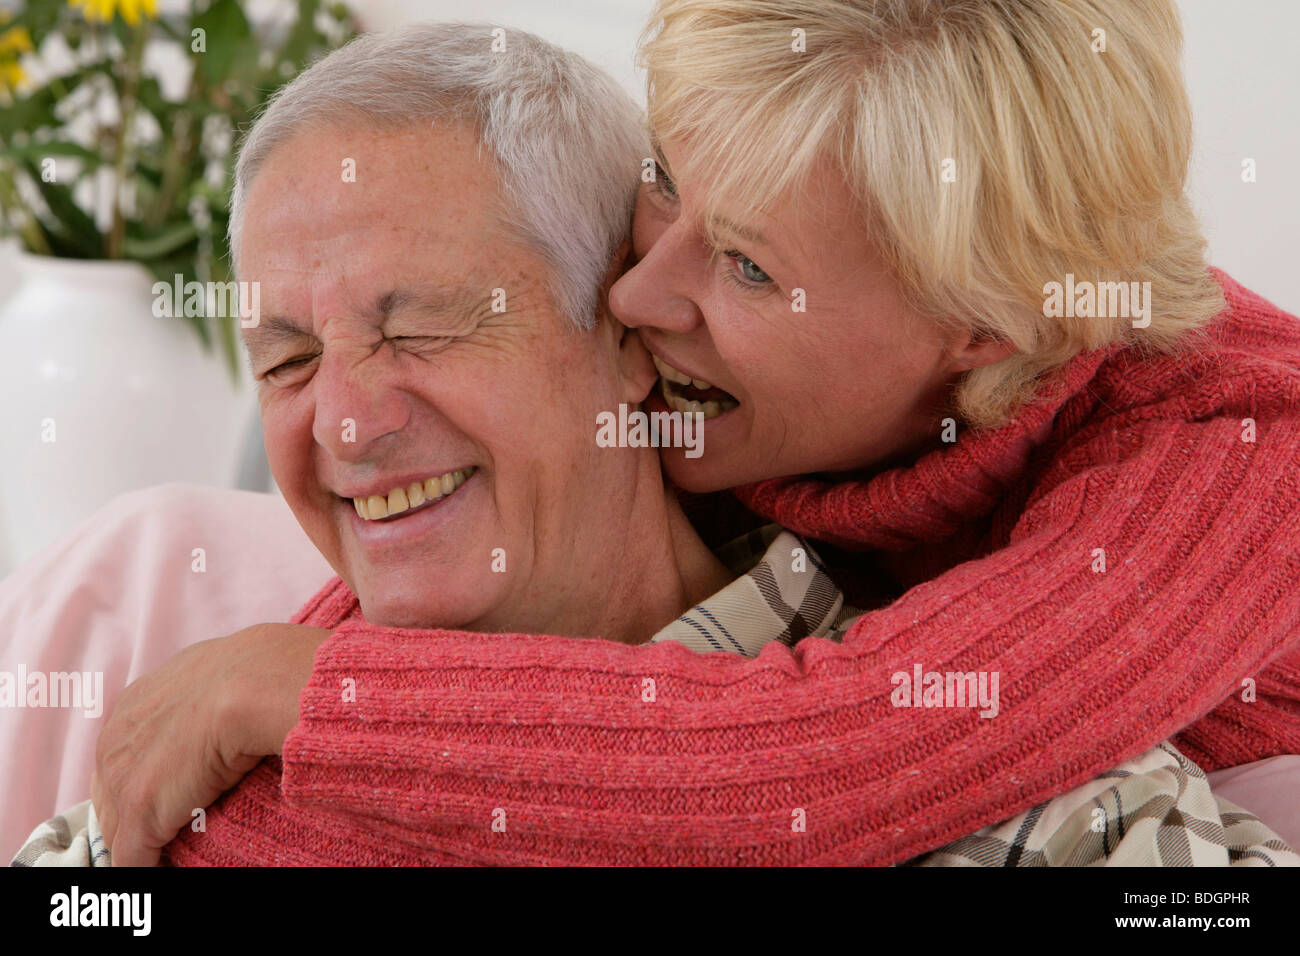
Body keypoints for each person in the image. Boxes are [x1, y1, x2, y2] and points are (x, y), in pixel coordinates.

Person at [95, 2, 1300, 866]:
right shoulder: (743, 422)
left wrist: (307, 700)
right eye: (665, 179)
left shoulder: (1230, 446)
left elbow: (816, 765)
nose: (634, 293)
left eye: (746, 264)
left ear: (977, 327)